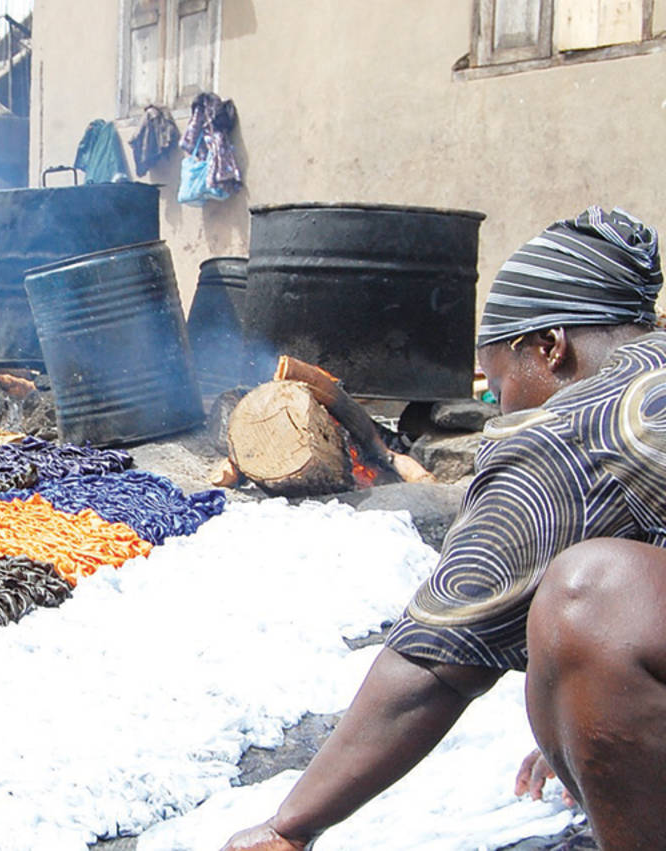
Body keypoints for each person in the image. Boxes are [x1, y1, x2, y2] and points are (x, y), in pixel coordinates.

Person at [222, 206, 666, 851]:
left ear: (550, 347)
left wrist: (289, 825)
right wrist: (603, 727)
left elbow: (435, 663)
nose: (501, 402)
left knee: (589, 597)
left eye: (502, 379)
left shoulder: (582, 427)